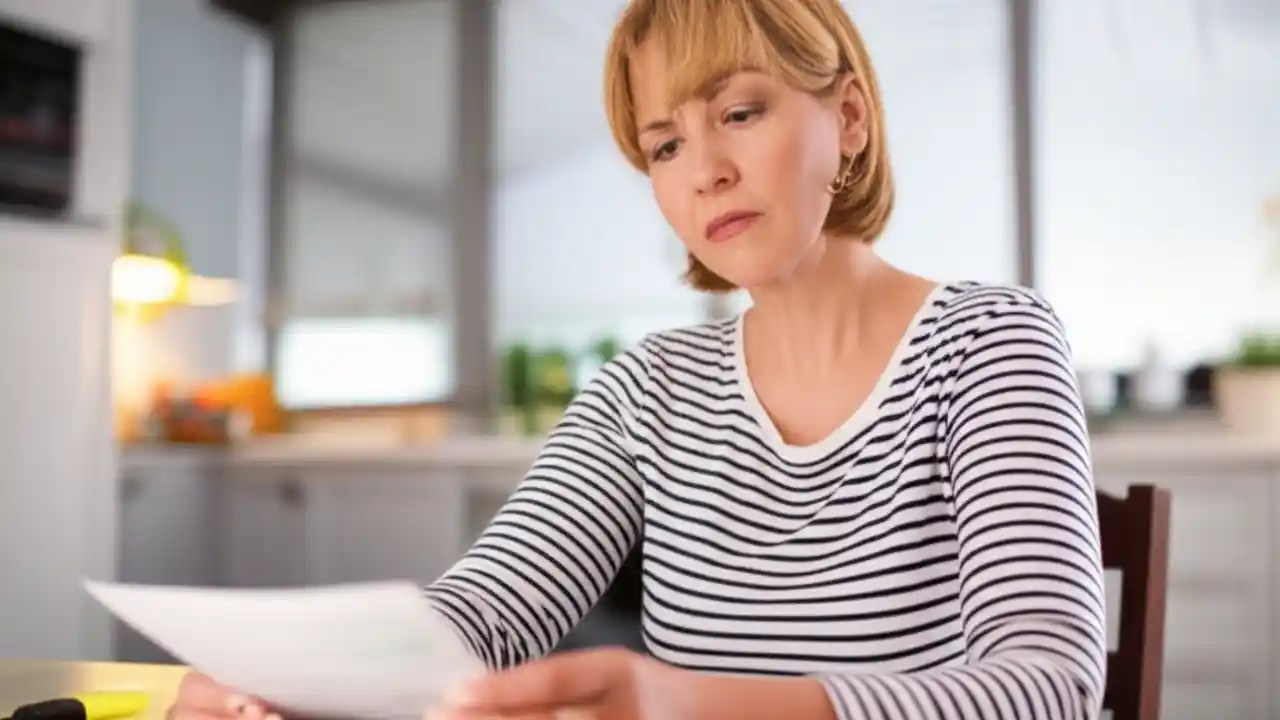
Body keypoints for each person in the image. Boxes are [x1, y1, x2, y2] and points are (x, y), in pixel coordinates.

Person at [168, 0, 1106, 718]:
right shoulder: (648, 387)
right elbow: (492, 610)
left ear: (849, 118)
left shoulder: (991, 343)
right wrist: (297, 679)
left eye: (740, 113)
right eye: (664, 144)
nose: (703, 170)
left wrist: (696, 704)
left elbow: (1050, 684)